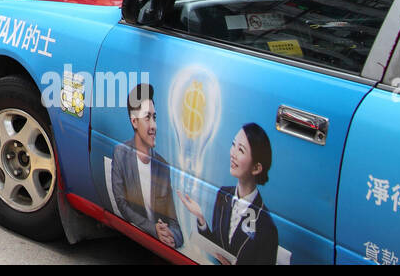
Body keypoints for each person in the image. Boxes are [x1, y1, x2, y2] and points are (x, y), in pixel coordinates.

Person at [179, 124, 279, 265]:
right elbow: (218, 246)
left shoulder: (266, 226)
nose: (233, 153)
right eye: (233, 145)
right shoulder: (223, 194)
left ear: (256, 168)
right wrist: (201, 218)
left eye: (241, 150)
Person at [110, 84, 183, 249]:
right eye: (147, 117)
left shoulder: (163, 166)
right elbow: (122, 204)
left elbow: (175, 225)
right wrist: (153, 230)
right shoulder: (121, 153)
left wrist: (170, 236)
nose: (153, 126)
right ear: (134, 122)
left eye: (154, 118)